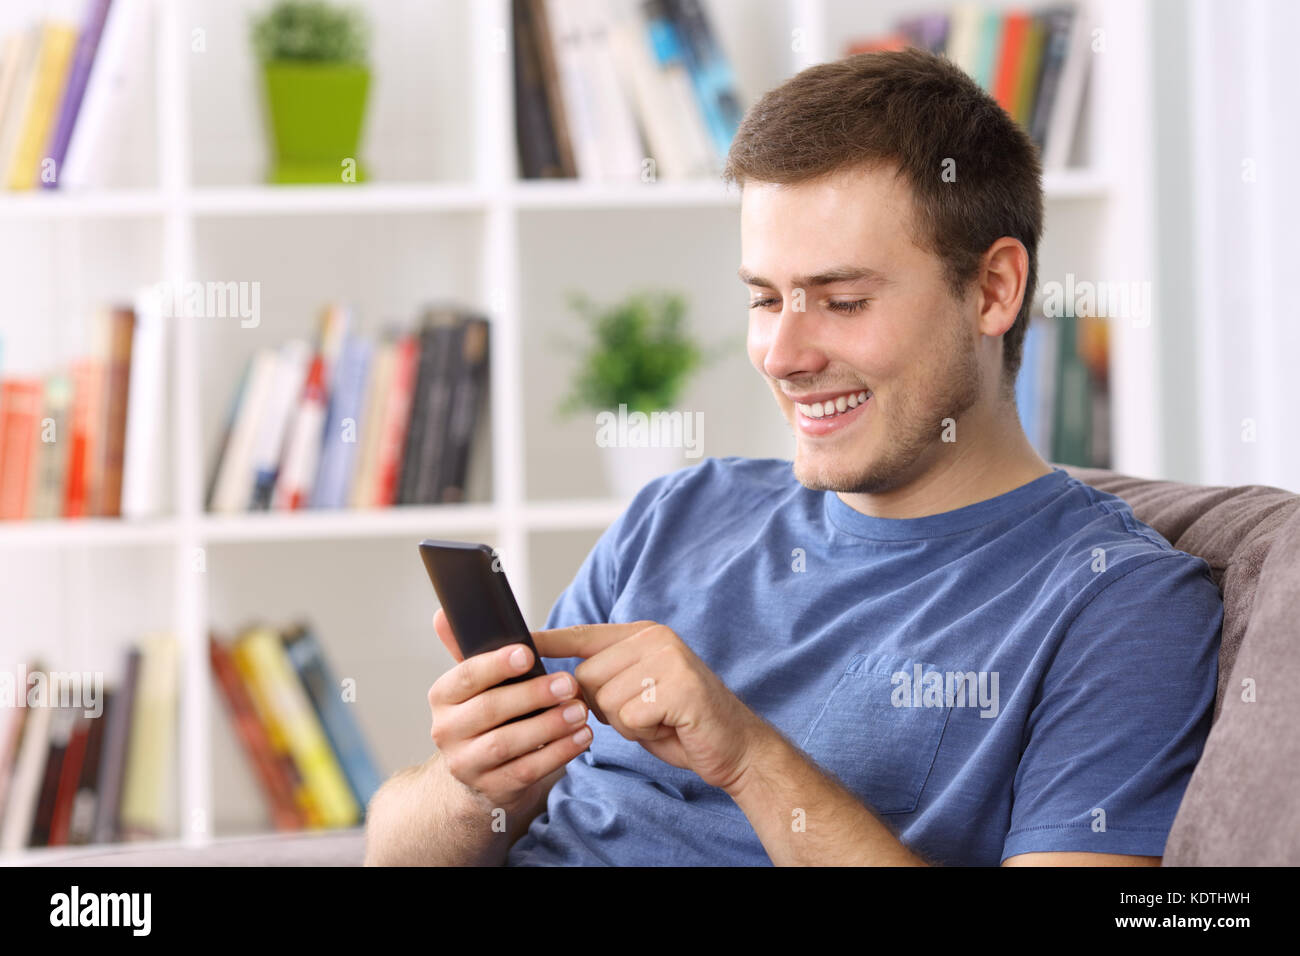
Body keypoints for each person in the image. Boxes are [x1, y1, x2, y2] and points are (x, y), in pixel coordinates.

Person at [363, 48, 1222, 866]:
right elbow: (393, 850)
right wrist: (476, 783)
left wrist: (745, 754)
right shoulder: (681, 510)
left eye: (842, 301)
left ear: (995, 289)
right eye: (766, 299)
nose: (781, 353)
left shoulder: (1118, 603)